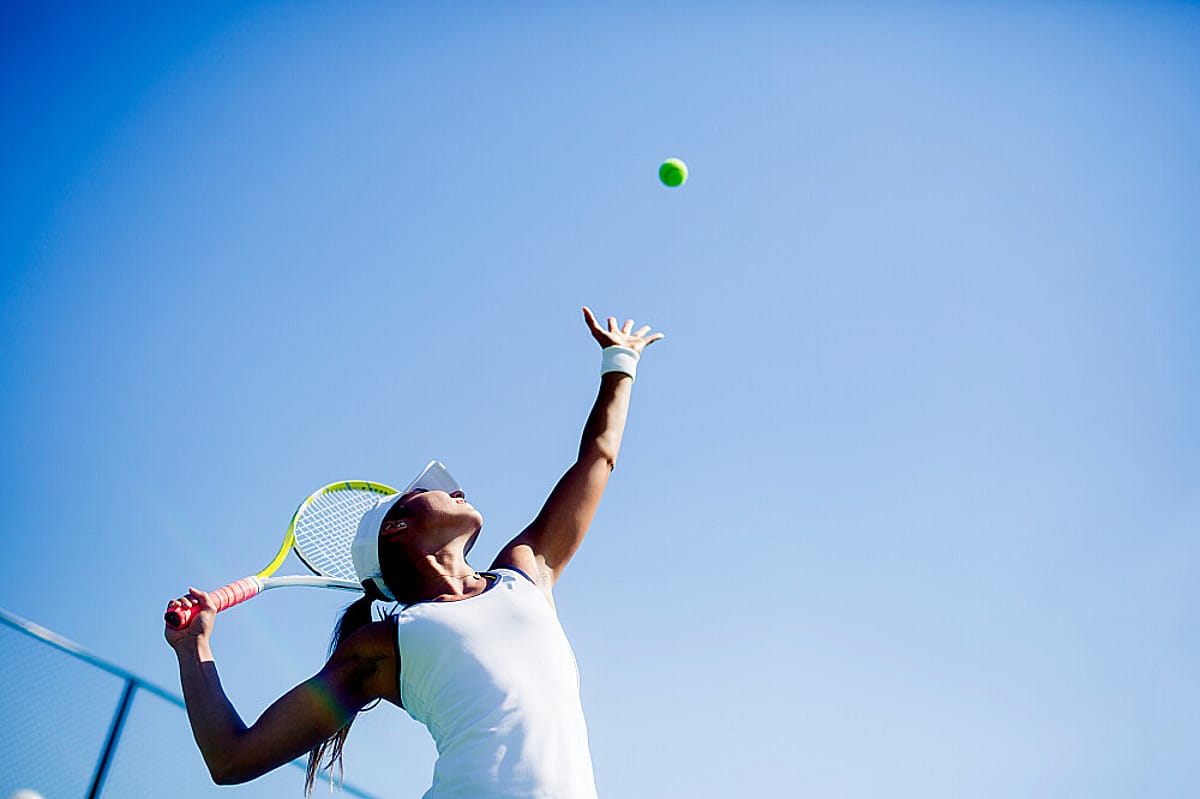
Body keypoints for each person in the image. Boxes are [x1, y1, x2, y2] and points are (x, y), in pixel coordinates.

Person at [164, 306, 663, 798]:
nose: (456, 488)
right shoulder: (381, 645)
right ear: (397, 527)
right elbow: (231, 758)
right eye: (431, 487)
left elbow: (598, 456)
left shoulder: (526, 570)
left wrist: (619, 363)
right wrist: (194, 648)